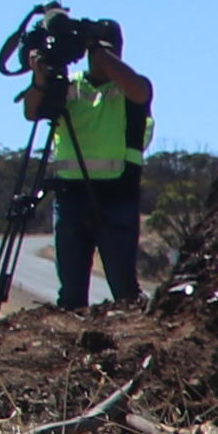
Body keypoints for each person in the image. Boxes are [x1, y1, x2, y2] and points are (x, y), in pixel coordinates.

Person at [22, 22, 153, 310]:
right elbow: (32, 111)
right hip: (71, 197)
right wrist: (40, 79)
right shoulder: (69, 87)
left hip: (118, 196)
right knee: (71, 293)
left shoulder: (131, 86)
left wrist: (96, 49)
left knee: (125, 289)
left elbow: (139, 92)